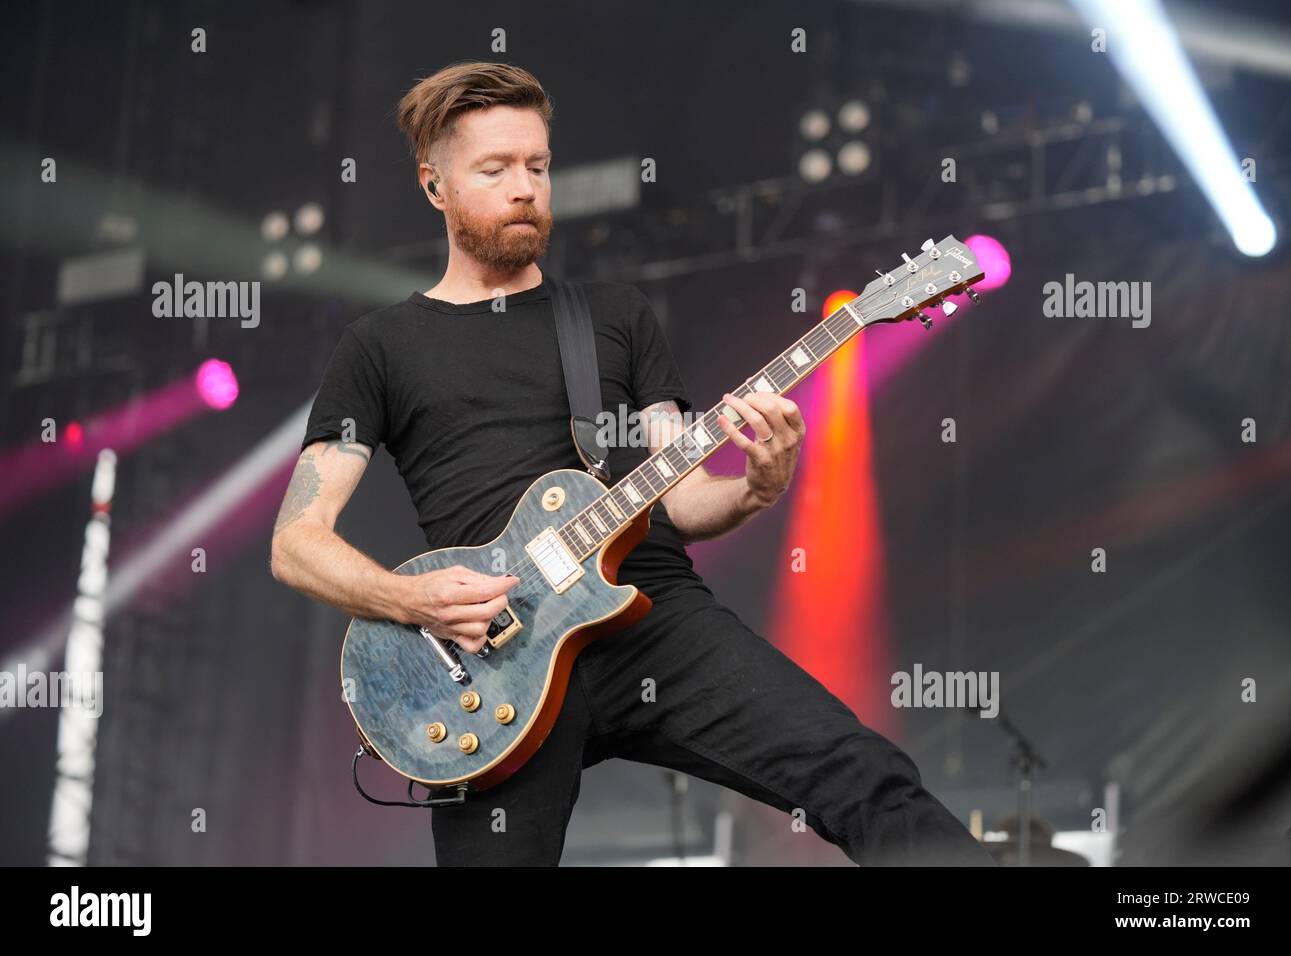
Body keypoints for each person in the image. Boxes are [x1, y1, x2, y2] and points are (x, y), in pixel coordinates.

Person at [270, 60, 992, 867]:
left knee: (864, 775)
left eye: (538, 167)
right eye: (496, 169)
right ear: (434, 186)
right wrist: (413, 600)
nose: (525, 188)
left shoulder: (611, 317)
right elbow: (296, 543)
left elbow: (681, 502)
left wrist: (758, 486)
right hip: (490, 661)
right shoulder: (381, 347)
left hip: (652, 615)